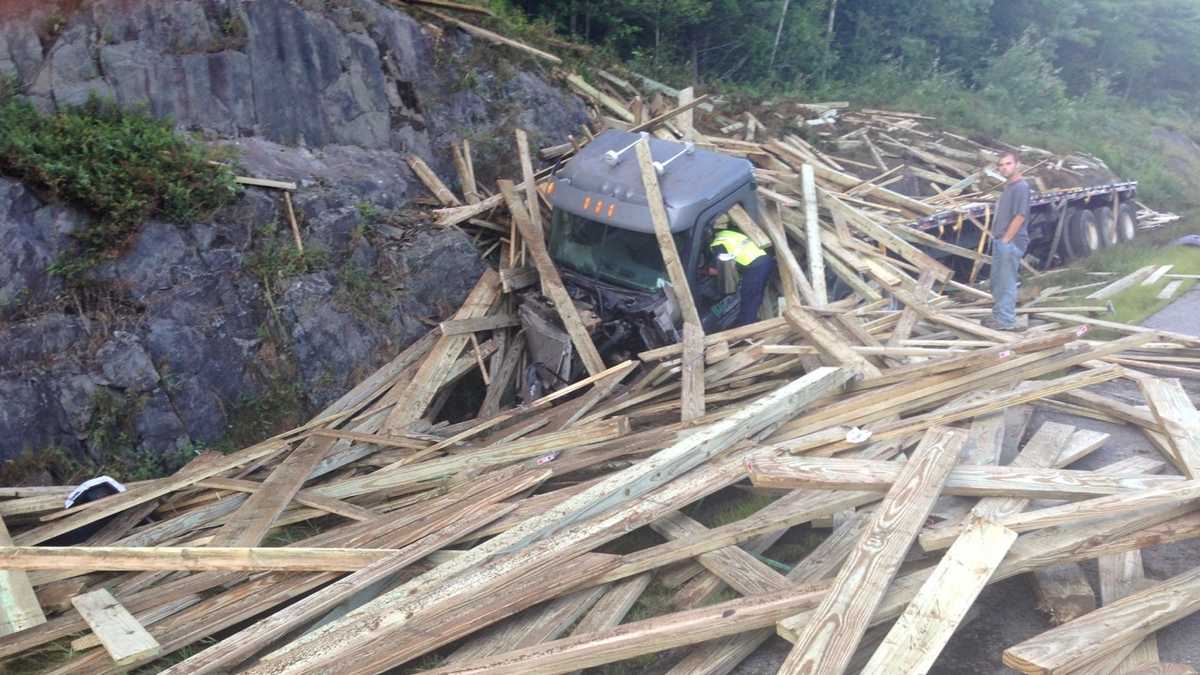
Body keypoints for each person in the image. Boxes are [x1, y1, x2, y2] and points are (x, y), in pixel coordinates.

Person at [983, 151, 1031, 331]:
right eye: (1001, 165)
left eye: (1008, 164)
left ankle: (1006, 322)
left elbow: (1020, 216)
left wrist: (1005, 240)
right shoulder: (1009, 186)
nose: (1004, 168)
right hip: (1002, 241)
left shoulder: (1020, 187)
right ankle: (999, 316)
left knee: (1006, 282)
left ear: (1017, 164)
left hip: (1010, 243)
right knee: (997, 282)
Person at [709, 223, 775, 327]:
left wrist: (704, 271)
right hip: (765, 260)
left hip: (755, 266)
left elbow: (717, 269)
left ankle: (745, 330)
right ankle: (752, 322)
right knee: (755, 296)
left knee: (748, 299)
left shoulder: (717, 243)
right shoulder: (729, 234)